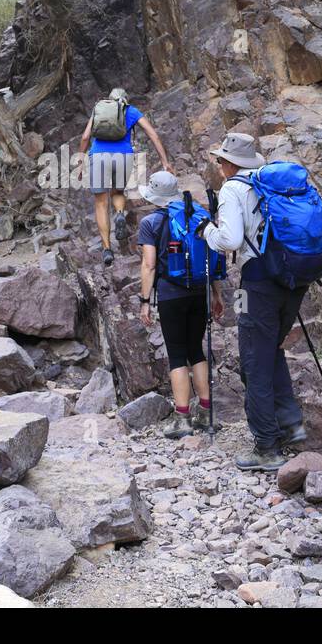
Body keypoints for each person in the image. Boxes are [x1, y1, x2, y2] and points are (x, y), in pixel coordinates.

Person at [197, 132, 306, 472]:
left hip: (255, 282)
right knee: (270, 348)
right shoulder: (268, 184)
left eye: (220, 160)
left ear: (230, 164)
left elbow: (228, 240)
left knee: (253, 360)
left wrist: (205, 231)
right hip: (293, 279)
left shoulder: (232, 188)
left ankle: (266, 447)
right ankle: (291, 425)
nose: (218, 165)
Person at [136, 171, 223, 439]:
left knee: (176, 354)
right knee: (196, 350)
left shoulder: (150, 223)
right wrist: (216, 294)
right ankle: (206, 414)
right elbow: (211, 257)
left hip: (171, 294)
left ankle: (182, 418)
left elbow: (149, 265)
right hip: (199, 291)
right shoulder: (196, 215)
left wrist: (145, 301)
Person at [78, 87, 170, 266]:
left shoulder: (99, 109)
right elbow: (153, 135)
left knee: (101, 203)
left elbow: (85, 137)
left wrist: (80, 162)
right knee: (118, 191)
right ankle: (119, 213)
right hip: (124, 156)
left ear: (109, 99)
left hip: (98, 155)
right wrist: (165, 162)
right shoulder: (131, 111)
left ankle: (106, 249)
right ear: (126, 100)